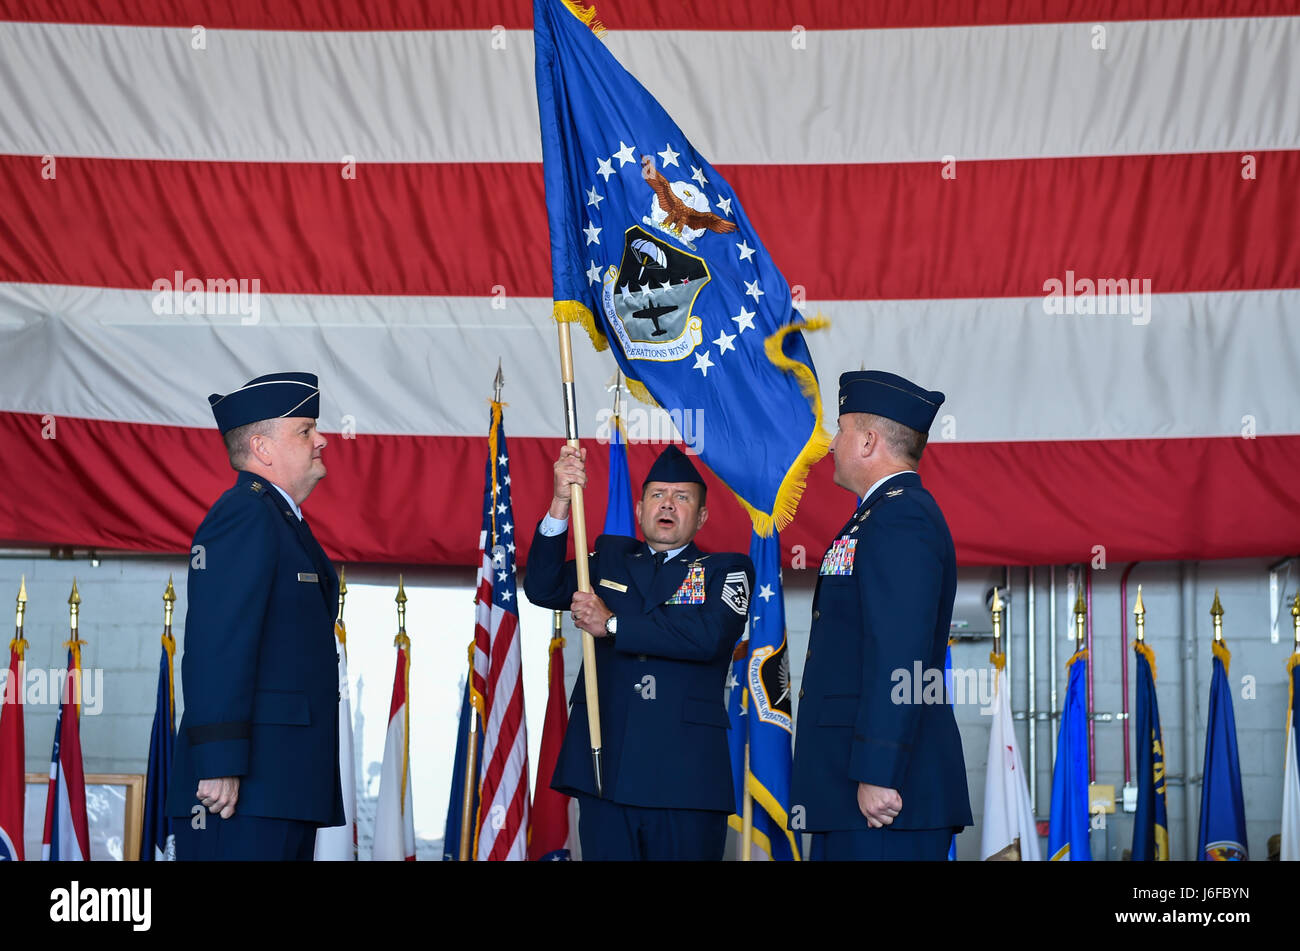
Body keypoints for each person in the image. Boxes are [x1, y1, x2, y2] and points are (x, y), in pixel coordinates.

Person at [524, 444, 754, 860]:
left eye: (682, 497)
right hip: (607, 766)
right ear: (639, 508)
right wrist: (560, 500)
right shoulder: (611, 560)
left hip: (686, 782)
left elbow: (707, 637)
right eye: (657, 495)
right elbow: (541, 587)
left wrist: (612, 624)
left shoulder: (727, 570)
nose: (668, 504)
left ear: (701, 516)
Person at [790, 370, 972, 860]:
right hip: (851, 790)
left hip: (883, 799)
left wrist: (878, 771)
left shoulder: (901, 516)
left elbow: (901, 650)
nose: (832, 443)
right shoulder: (879, 514)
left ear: (868, 441)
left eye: (843, 429)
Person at [167, 371, 344, 860]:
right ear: (263, 448)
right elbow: (217, 641)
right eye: (306, 430)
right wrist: (219, 758)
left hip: (280, 783)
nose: (321, 439)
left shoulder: (279, 518)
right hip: (240, 789)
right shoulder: (246, 514)